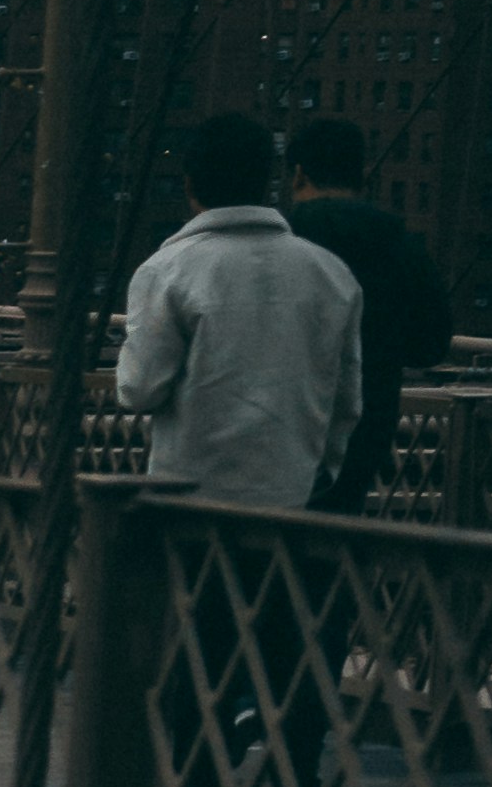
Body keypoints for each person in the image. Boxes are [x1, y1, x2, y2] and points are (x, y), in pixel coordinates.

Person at [116, 115, 361, 509]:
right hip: (291, 501)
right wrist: (321, 471)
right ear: (266, 181)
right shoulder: (332, 274)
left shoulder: (166, 271)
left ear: (189, 182)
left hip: (189, 502)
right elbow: (347, 400)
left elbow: (138, 390)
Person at [283, 114, 451, 505]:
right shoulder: (399, 243)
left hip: (286, 417)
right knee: (338, 534)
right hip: (369, 419)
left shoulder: (285, 237)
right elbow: (430, 344)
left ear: (299, 174)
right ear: (361, 176)